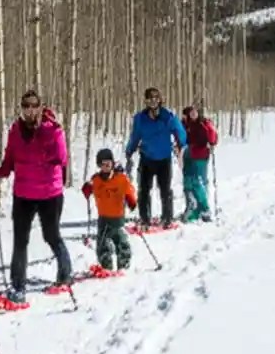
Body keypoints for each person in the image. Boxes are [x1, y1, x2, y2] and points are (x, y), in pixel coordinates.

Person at [0, 89, 72, 303]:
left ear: (41, 107)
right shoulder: (15, 130)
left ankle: (65, 274)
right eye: (26, 106)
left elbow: (61, 159)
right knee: (20, 240)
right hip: (23, 194)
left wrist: (48, 135)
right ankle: (18, 286)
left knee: (51, 236)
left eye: (34, 105)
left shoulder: (53, 130)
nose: (30, 110)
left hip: (50, 193)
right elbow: (9, 163)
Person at [124, 87, 187, 230]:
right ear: (146, 101)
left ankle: (167, 218)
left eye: (155, 98)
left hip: (164, 159)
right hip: (146, 158)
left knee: (165, 189)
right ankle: (145, 219)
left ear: (159, 100)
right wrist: (129, 150)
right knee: (144, 190)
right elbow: (135, 136)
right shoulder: (140, 118)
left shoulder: (168, 116)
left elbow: (180, 132)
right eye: (150, 99)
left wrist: (181, 145)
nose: (153, 101)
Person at [81, 148, 137, 272]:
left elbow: (129, 190)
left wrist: (131, 200)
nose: (106, 166)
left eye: (108, 163)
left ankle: (123, 264)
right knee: (102, 245)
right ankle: (106, 266)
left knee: (121, 242)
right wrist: (86, 189)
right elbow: (88, 188)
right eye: (103, 164)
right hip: (103, 218)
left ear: (112, 163)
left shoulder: (120, 179)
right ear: (99, 165)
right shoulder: (96, 180)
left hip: (118, 218)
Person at [180, 105, 218, 222]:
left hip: (200, 156)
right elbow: (180, 137)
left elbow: (212, 137)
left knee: (198, 181)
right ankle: (192, 208)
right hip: (188, 155)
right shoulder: (185, 124)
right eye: (189, 114)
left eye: (194, 113)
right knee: (188, 182)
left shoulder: (204, 123)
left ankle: (204, 208)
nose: (192, 115)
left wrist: (211, 143)